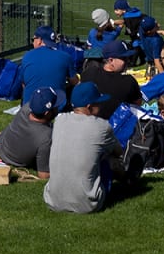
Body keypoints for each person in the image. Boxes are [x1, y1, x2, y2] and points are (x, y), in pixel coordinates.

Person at [44, 82, 122, 214]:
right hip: (88, 204)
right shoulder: (102, 126)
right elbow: (118, 152)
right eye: (98, 103)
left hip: (52, 201)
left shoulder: (59, 121)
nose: (101, 106)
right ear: (89, 107)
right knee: (108, 156)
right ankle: (128, 181)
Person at [0, 85, 64, 179]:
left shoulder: (26, 108)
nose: (57, 108)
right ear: (47, 113)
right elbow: (43, 175)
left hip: (2, 147)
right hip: (16, 160)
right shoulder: (46, 137)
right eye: (55, 106)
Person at [83, 39, 143, 120]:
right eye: (124, 58)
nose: (128, 61)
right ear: (111, 60)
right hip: (117, 128)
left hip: (88, 122)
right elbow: (137, 104)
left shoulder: (89, 72)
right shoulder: (129, 81)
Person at [16, 25, 77, 103]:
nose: (33, 42)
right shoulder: (65, 57)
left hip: (30, 106)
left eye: (33, 39)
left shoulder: (27, 56)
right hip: (55, 107)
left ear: (39, 40)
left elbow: (24, 84)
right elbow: (75, 82)